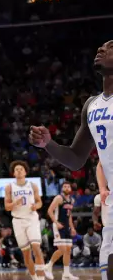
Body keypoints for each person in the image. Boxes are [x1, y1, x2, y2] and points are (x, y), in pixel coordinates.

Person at [30, 40, 113, 279]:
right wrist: (48, 144)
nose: (101, 49)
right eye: (101, 46)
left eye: (111, 47)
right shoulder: (91, 105)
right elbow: (76, 159)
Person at [4, 161, 46, 280]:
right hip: (17, 220)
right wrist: (14, 203)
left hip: (31, 218)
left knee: (36, 247)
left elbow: (39, 202)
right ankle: (34, 277)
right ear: (13, 173)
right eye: (16, 169)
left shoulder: (32, 185)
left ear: (25, 172)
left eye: (21, 169)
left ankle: (41, 277)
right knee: (26, 254)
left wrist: (36, 206)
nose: (18, 171)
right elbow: (7, 206)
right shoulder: (9, 187)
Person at [45, 182, 78, 280]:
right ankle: (48, 266)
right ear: (62, 188)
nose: (67, 188)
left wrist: (72, 228)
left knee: (68, 250)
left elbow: (69, 216)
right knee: (62, 249)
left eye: (68, 186)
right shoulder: (59, 198)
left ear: (71, 189)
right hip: (58, 226)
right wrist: (56, 222)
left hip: (67, 226)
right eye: (65, 186)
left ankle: (66, 274)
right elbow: (50, 210)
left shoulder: (72, 200)